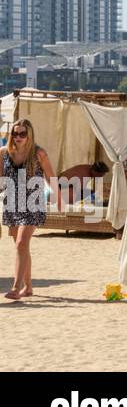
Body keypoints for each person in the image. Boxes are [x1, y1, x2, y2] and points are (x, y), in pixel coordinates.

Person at [3, 119, 58, 301]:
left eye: (22, 134)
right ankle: (28, 287)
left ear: (29, 135)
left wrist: (58, 199)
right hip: (12, 203)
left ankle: (15, 287)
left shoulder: (38, 153)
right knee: (22, 247)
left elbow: (51, 176)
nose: (18, 137)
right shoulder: (4, 153)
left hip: (33, 203)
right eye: (15, 133)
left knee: (20, 244)